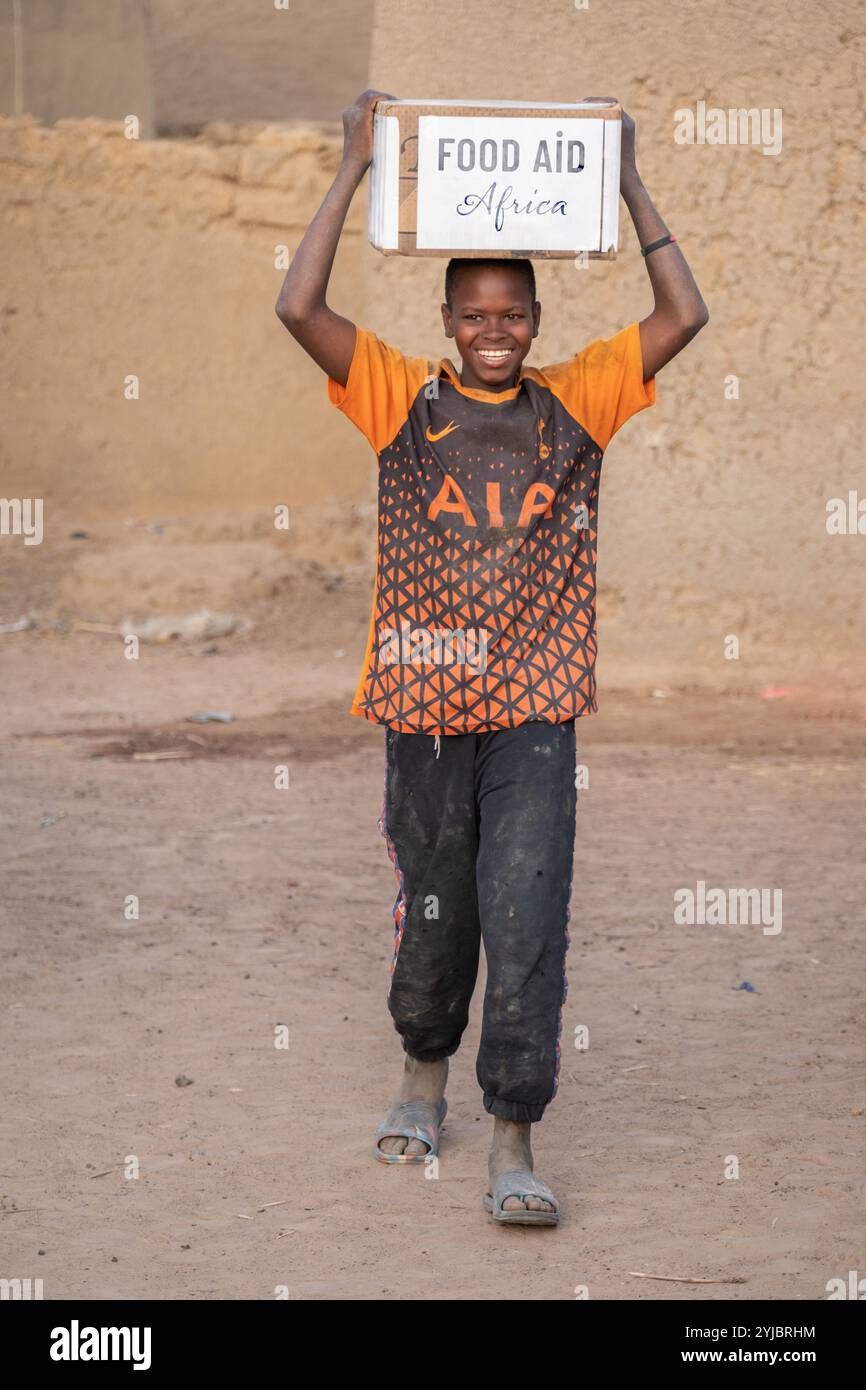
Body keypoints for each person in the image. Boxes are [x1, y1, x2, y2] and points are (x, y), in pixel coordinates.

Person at [276, 90, 708, 1225]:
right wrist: (352, 167)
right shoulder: (398, 399)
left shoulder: (580, 401)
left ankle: (513, 1138)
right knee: (436, 910)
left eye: (512, 311)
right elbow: (297, 305)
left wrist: (623, 178)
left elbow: (684, 311)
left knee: (525, 913)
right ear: (448, 320)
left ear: (536, 317)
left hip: (533, 711)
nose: (494, 330)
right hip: (421, 707)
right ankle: (421, 1076)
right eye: (473, 313)